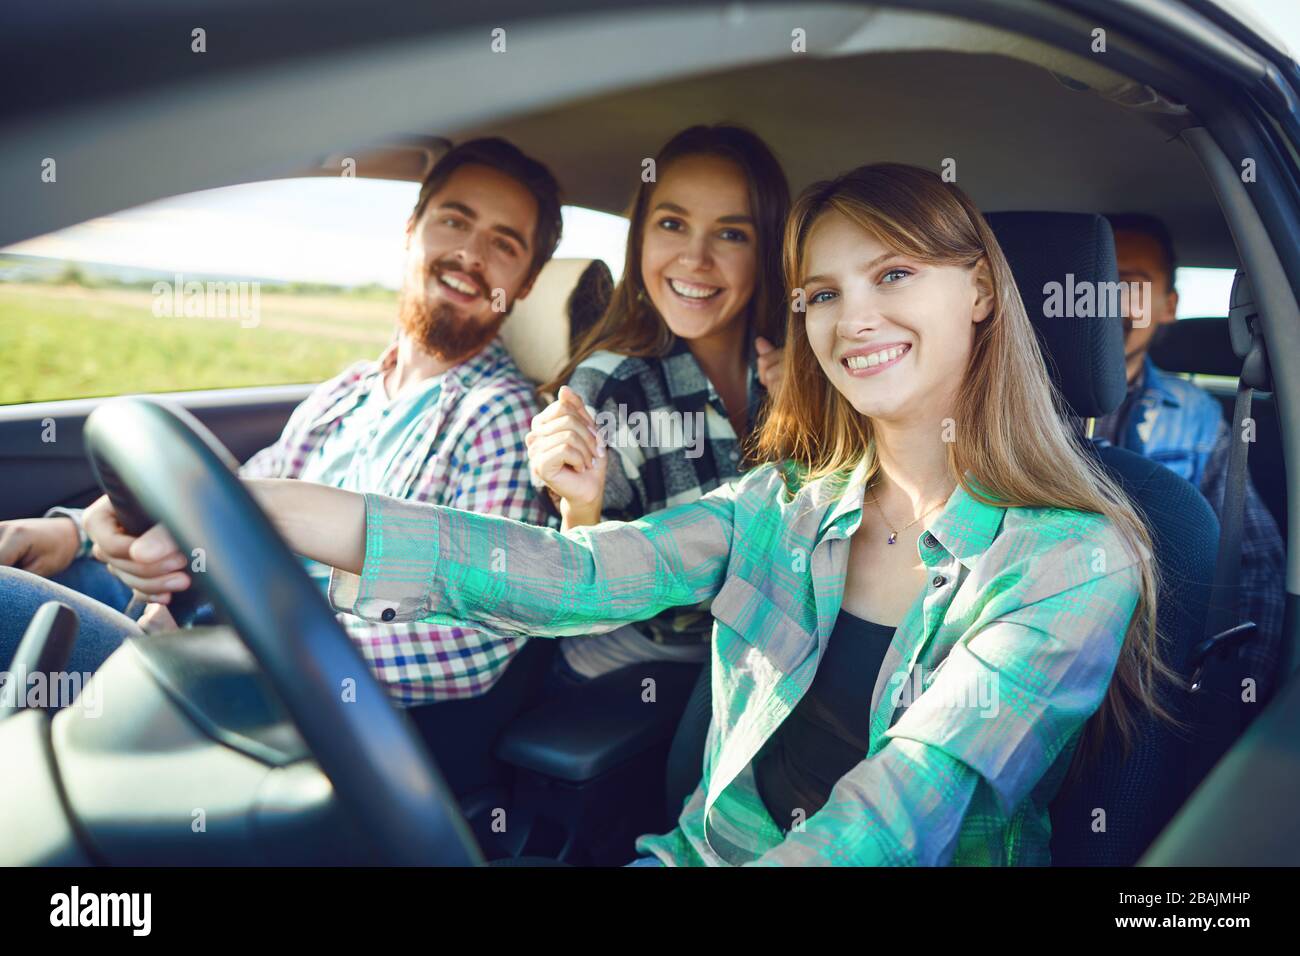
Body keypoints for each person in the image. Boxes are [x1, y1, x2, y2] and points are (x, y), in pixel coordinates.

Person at [94, 163, 1184, 866]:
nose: (855, 319)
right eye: (822, 292)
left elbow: (895, 816)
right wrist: (254, 505)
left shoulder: (1076, 559)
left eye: (894, 273)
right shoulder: (780, 507)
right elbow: (562, 576)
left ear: (980, 293)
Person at [0, 136, 560, 707]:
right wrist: (73, 533)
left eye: (504, 245)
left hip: (272, 701)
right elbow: (230, 500)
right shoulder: (347, 392)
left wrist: (232, 655)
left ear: (526, 284)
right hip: (194, 613)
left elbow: (474, 641)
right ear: (411, 228)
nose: (471, 254)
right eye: (454, 221)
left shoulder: (504, 418)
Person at [526, 124, 790, 687]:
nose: (695, 259)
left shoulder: (801, 368)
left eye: (731, 235)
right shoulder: (610, 386)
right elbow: (575, 601)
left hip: (768, 645)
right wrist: (582, 512)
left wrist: (811, 422)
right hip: (645, 661)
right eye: (672, 225)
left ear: (767, 251)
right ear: (640, 237)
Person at [1098, 213, 1285, 703]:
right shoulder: (1015, 399)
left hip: (1150, 672)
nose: (1112, 301)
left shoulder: (1198, 417)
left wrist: (1234, 697)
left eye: (1133, 286)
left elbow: (1254, 564)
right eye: (1098, 282)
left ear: (1168, 305)